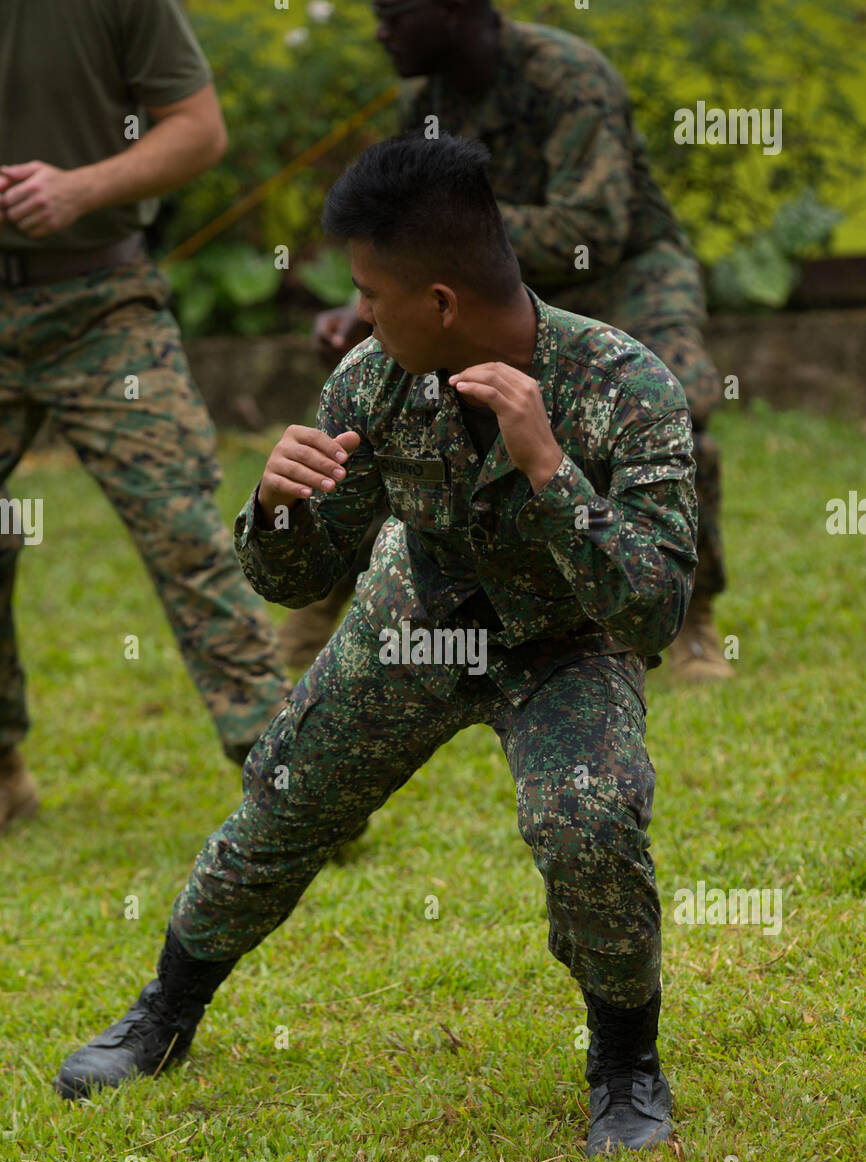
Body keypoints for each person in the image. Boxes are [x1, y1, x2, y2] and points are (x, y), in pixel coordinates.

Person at [55, 134, 698, 1157]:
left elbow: (653, 612)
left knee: (586, 816)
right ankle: (161, 1014)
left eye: (369, 292)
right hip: (419, 620)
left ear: (439, 301)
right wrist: (274, 510)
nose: (356, 313)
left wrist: (548, 473)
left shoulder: (626, 387)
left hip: (563, 644)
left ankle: (624, 1064)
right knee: (284, 798)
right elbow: (304, 576)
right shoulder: (370, 381)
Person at [299, 0, 727, 682]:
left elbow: (591, 229)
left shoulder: (567, 76)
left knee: (683, 401)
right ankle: (318, 614)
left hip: (621, 277)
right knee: (389, 395)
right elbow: (399, 230)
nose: (380, 32)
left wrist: (464, 241)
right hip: (489, 290)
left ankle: (692, 616)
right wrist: (369, 303)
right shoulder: (425, 98)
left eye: (396, 15)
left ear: (455, 11)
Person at [0, 0, 292, 832]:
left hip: (100, 302)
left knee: (185, 529)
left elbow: (197, 130)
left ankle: (290, 784)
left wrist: (77, 189)